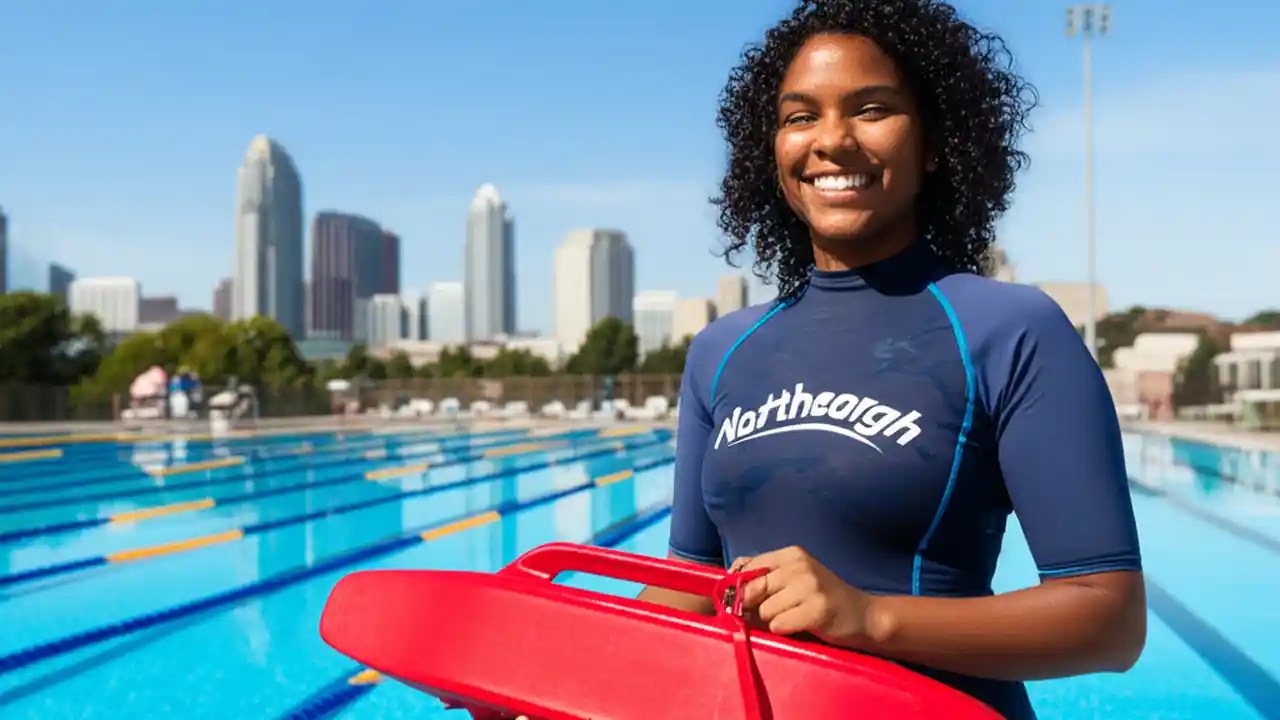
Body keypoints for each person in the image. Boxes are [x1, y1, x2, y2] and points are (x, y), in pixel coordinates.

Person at [631, 1, 1147, 718]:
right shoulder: (723, 351)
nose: (832, 141)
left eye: (872, 109)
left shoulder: (1009, 331)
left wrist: (869, 618)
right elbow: (689, 580)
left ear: (933, 142)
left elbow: (1110, 620)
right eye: (800, 116)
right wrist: (540, 675)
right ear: (771, 150)